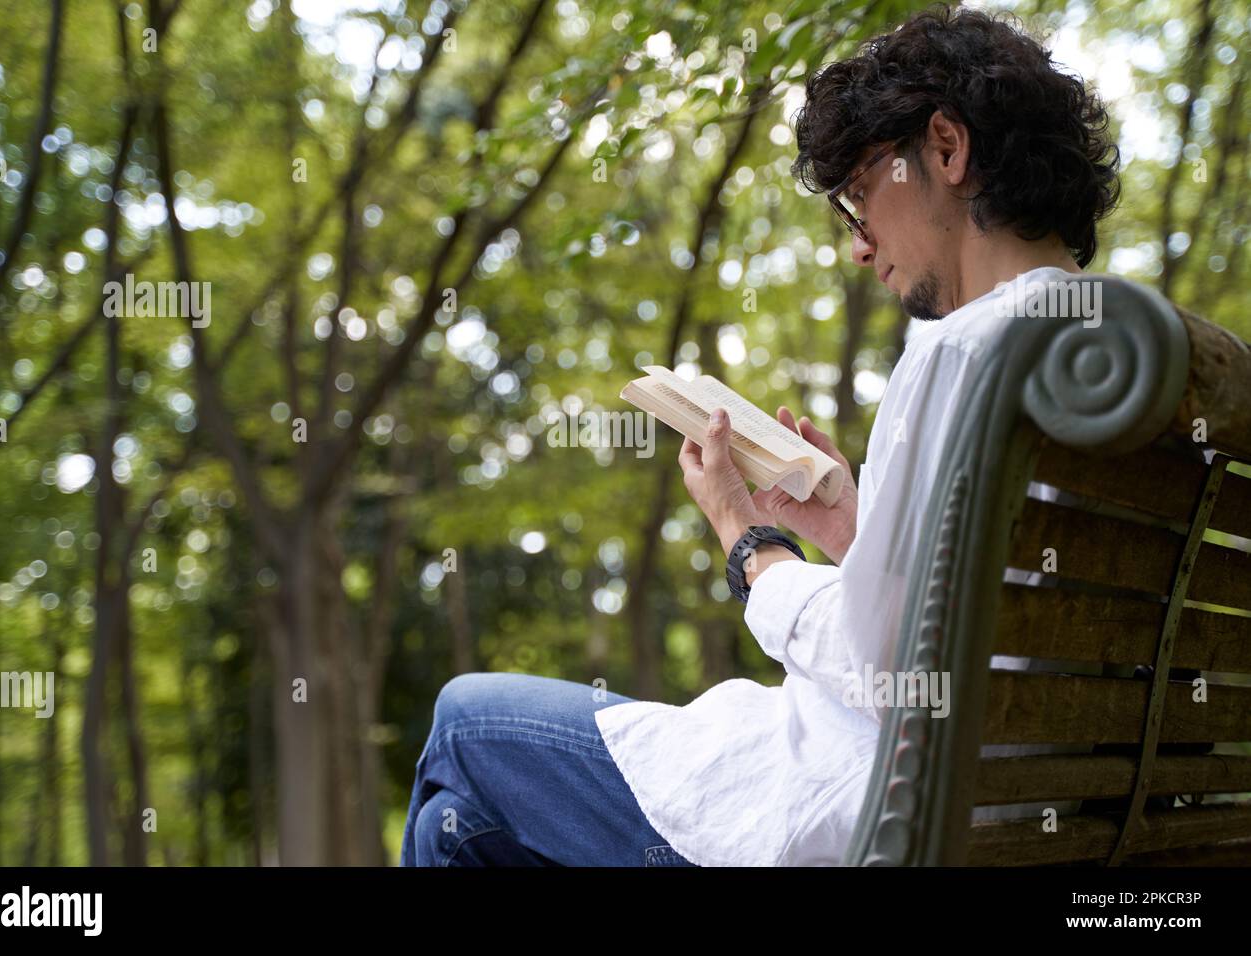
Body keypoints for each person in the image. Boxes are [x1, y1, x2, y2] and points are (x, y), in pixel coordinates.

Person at [401, 5, 1121, 866]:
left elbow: (884, 662)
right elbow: (978, 619)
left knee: (463, 721)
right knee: (453, 830)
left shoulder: (968, 353)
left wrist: (751, 544)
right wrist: (851, 525)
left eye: (860, 198)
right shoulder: (1116, 354)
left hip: (863, 816)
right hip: (1024, 812)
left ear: (944, 148)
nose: (860, 248)